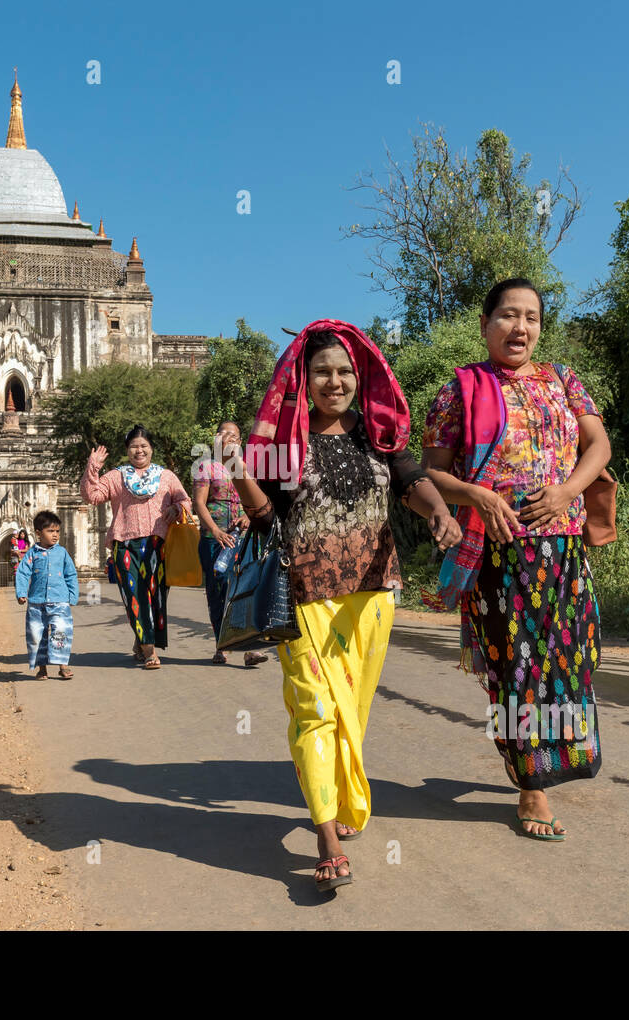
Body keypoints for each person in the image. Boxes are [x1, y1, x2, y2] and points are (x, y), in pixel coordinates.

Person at [225, 319, 461, 893]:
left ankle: (340, 800)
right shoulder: (286, 442)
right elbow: (264, 516)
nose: (335, 382)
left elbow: (411, 481)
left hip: (373, 597)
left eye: (344, 372)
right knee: (315, 712)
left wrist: (438, 513)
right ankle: (326, 834)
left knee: (350, 712)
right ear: (303, 381)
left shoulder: (377, 435)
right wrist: (236, 468)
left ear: (360, 378)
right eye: (322, 373)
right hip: (305, 596)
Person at [422, 278, 612, 841]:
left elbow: (597, 445)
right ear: (485, 325)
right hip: (499, 557)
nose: (520, 327)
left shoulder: (563, 380)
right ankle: (532, 786)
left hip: (564, 548)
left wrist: (565, 492)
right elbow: (431, 471)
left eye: (530, 317)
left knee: (567, 661)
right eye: (508, 315)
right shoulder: (460, 390)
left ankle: (550, 756)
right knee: (517, 668)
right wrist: (477, 494)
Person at [81, 425, 193, 670]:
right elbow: (91, 496)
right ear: (127, 450)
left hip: (159, 546)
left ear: (152, 449)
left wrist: (176, 508)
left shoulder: (166, 477)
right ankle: (150, 651)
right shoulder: (115, 476)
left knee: (154, 598)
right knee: (134, 596)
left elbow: (185, 500)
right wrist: (93, 467)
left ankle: (141, 641)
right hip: (125, 546)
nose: (139, 451)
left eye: (144, 446)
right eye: (134, 447)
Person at [192, 420, 267, 667]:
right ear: (215, 439)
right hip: (216, 541)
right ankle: (221, 646)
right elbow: (199, 503)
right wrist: (214, 530)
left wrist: (248, 516)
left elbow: (260, 500)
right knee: (219, 593)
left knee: (245, 590)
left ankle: (249, 649)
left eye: (234, 435)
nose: (230, 438)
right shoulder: (206, 466)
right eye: (224, 434)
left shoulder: (248, 466)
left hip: (245, 540)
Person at [15, 510, 79, 680]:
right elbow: (22, 573)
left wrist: (73, 595)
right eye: (50, 531)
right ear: (38, 533)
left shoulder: (62, 553)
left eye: (57, 531)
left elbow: (70, 574)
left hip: (60, 601)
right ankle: (42, 668)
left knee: (61, 632)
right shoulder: (31, 554)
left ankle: (63, 666)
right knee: (37, 635)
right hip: (36, 603)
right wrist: (21, 593)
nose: (55, 535)